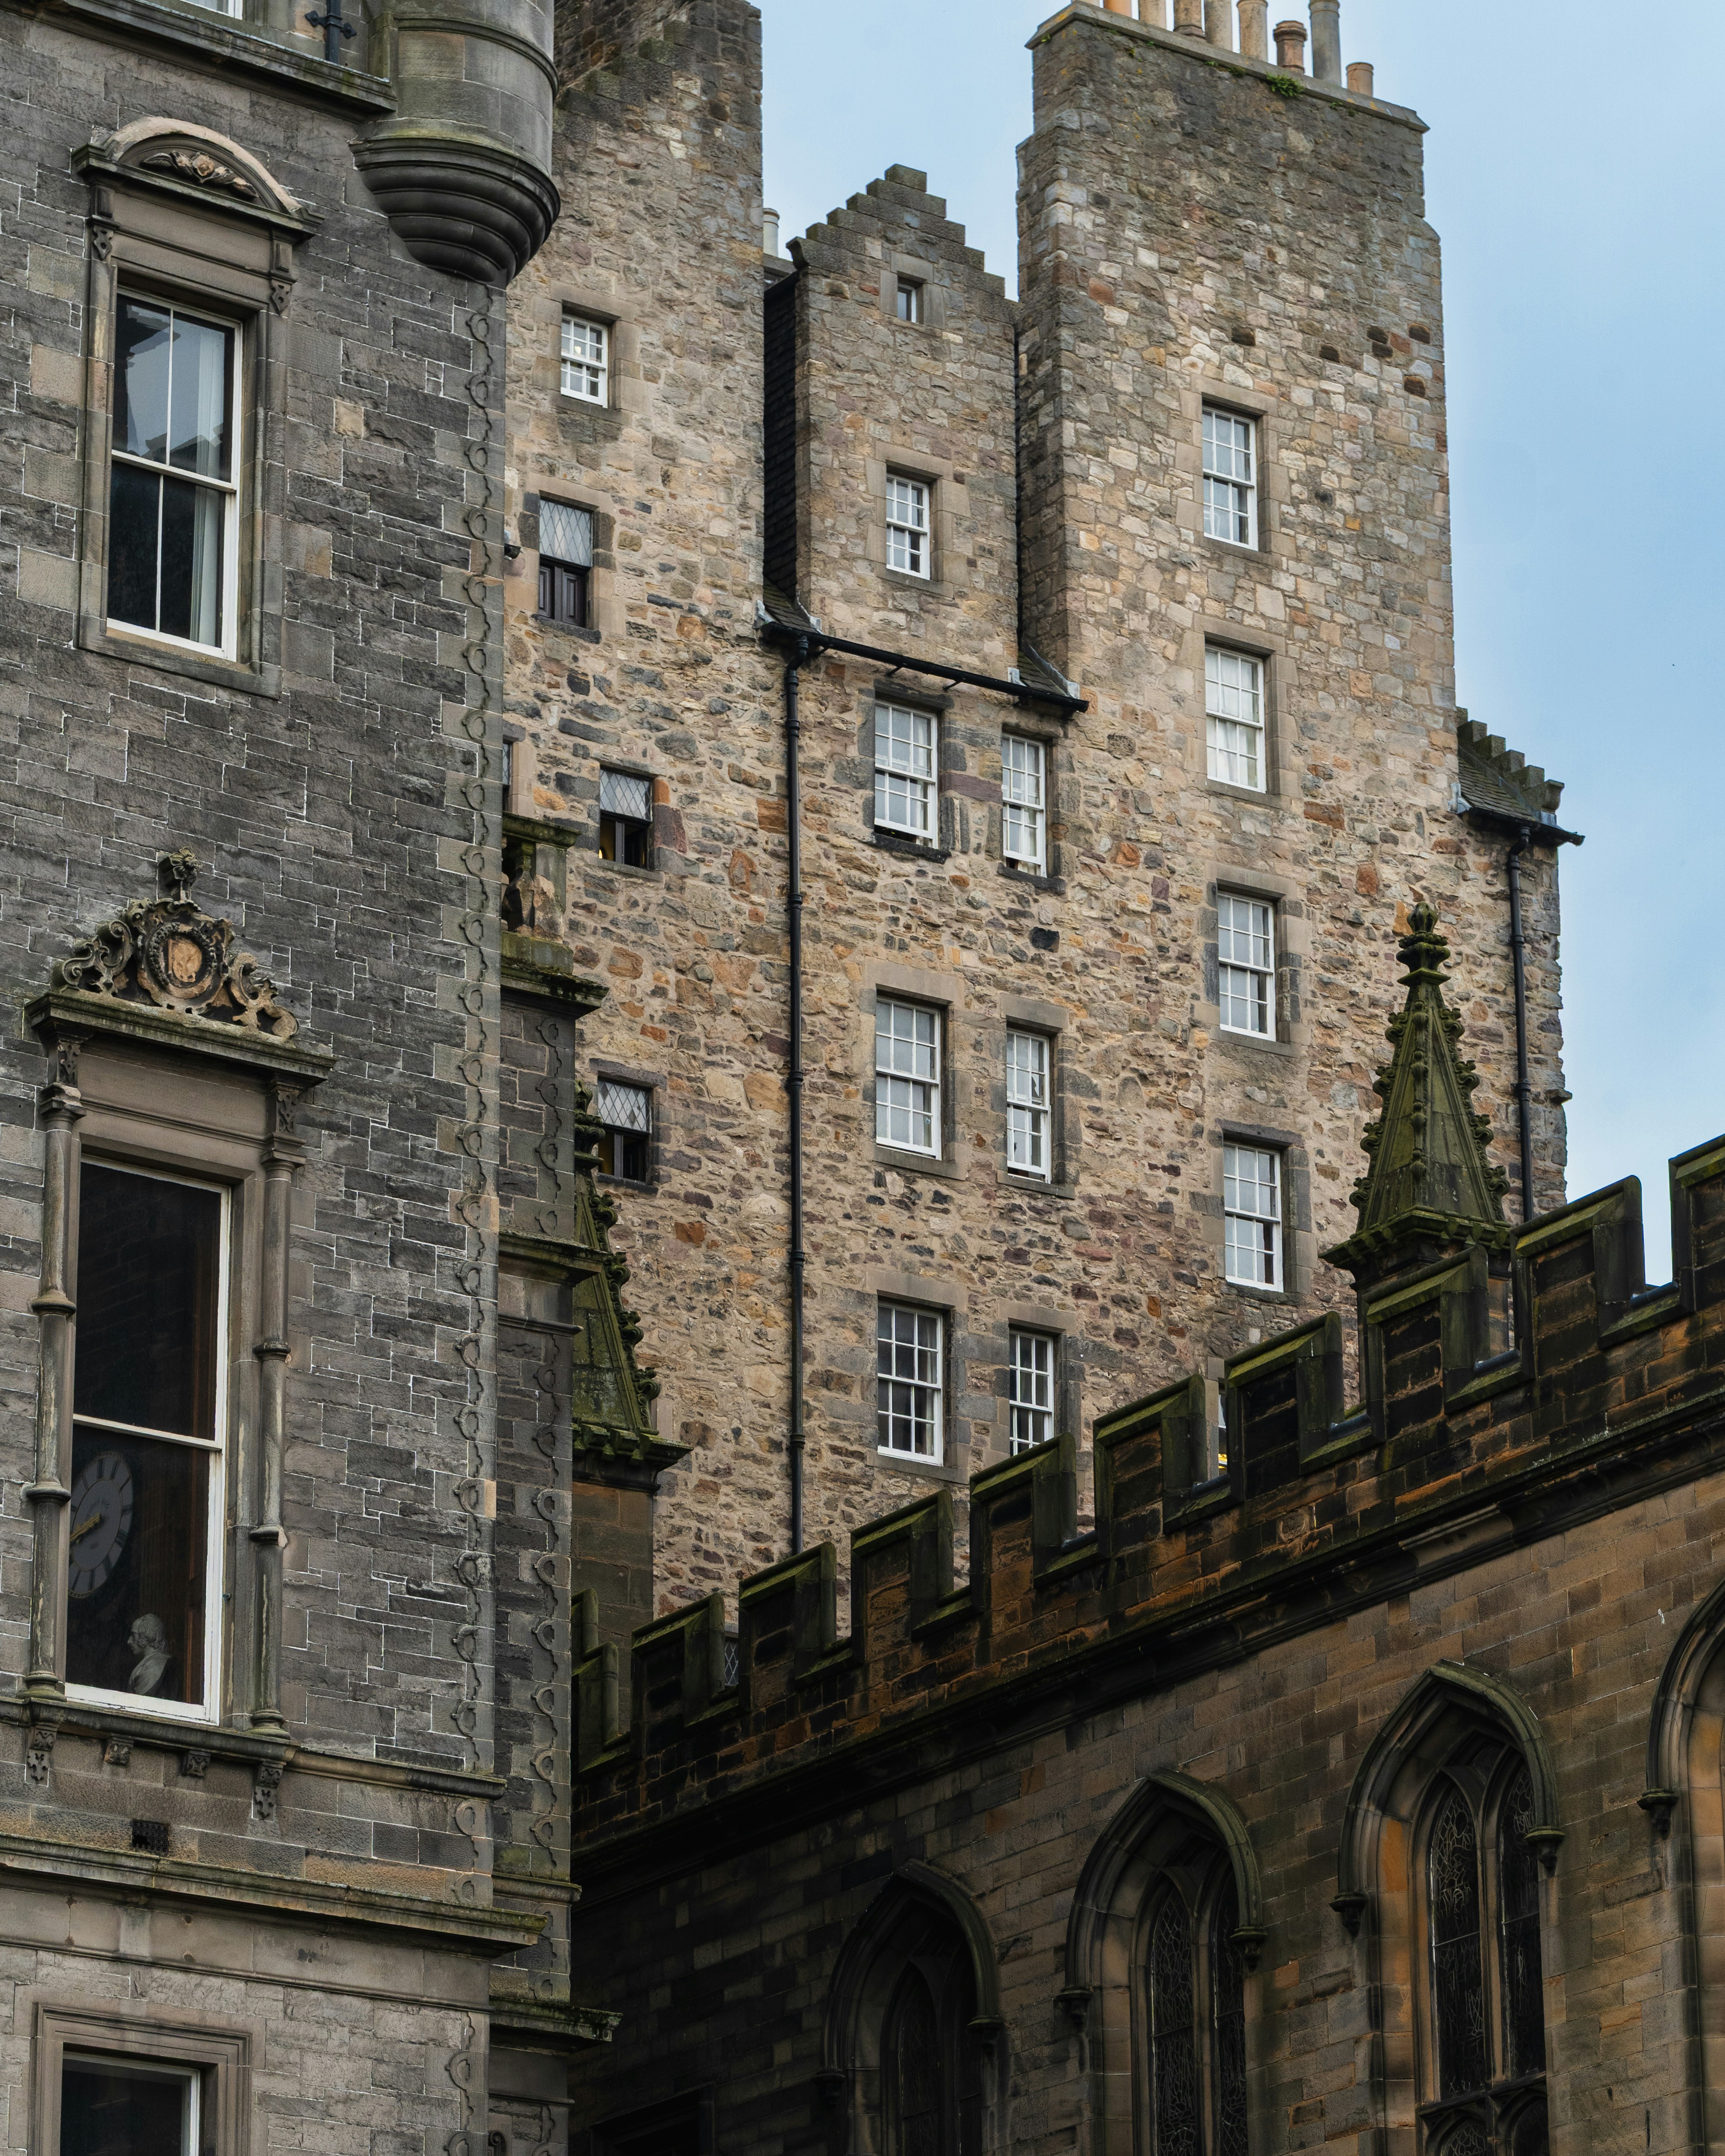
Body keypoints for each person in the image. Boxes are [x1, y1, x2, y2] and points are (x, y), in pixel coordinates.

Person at [127, 1614, 172, 1698]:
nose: (129, 1641)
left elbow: (139, 1702)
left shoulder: (154, 1666)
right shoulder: (150, 1663)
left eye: (134, 1635)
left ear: (146, 1637)